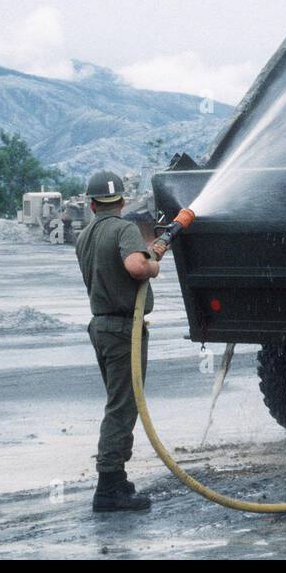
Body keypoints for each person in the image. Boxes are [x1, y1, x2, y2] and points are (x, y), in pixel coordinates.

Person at [75, 169, 168, 512]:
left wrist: (148, 254)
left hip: (100, 327)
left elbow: (122, 264)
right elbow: (135, 268)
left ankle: (115, 480)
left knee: (119, 401)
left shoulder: (85, 236)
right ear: (122, 201)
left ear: (93, 203)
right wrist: (152, 264)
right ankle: (108, 487)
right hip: (123, 331)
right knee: (122, 407)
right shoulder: (125, 228)